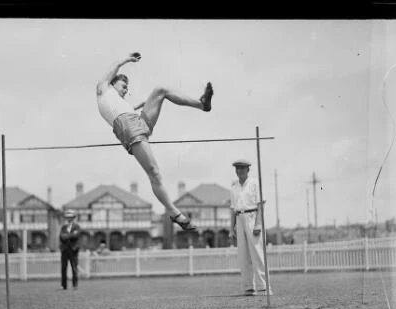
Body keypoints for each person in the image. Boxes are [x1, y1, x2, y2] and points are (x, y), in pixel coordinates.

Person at [96, 52, 214, 232]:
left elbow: (135, 108)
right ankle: (175, 214)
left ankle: (202, 104)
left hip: (137, 121)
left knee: (160, 90)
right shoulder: (103, 89)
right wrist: (127, 59)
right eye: (123, 86)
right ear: (112, 83)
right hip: (128, 127)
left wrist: (148, 102)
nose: (126, 90)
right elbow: (113, 66)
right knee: (154, 172)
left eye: (127, 87)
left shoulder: (122, 103)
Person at [229, 159, 272, 296]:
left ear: (248, 169)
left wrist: (258, 223)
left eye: (242, 168)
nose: (239, 171)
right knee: (243, 255)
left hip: (252, 217)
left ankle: (264, 286)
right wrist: (232, 228)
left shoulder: (254, 183)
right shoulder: (234, 187)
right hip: (239, 218)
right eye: (237, 168)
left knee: (257, 253)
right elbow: (232, 209)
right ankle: (249, 287)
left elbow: (260, 205)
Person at [59, 209, 81, 290]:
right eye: (67, 217)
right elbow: (61, 237)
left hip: (73, 250)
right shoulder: (63, 227)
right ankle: (63, 285)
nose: (69, 218)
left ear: (73, 217)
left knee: (74, 267)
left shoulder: (77, 226)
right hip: (65, 250)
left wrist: (67, 235)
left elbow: (76, 236)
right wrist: (70, 235)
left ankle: (75, 284)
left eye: (70, 217)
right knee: (63, 268)